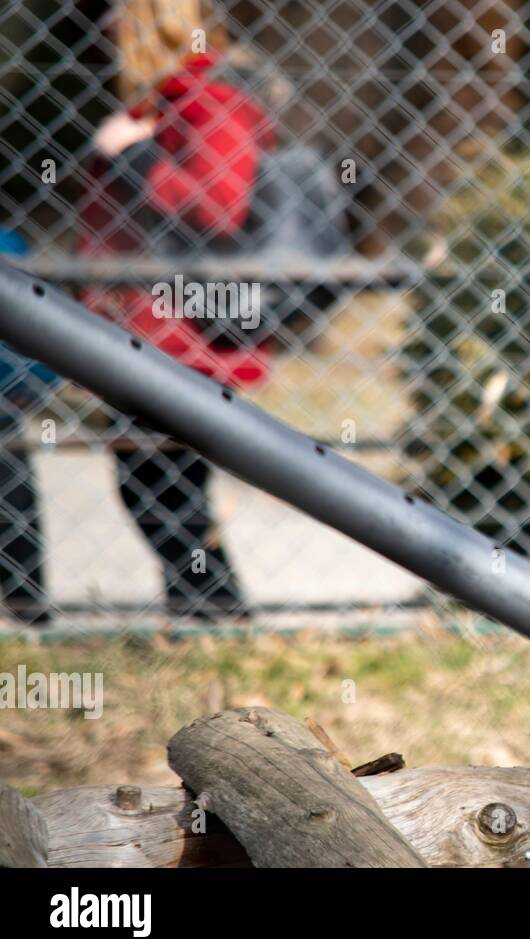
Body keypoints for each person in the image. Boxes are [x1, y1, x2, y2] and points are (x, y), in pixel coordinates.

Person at [77, 49, 276, 619]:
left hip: (184, 335)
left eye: (116, 19)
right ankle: (205, 615)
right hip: (148, 332)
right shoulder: (162, 106)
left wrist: (131, 155)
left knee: (157, 486)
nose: (102, 31)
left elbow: (219, 207)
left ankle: (216, 617)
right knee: (161, 487)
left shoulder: (204, 104)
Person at [0, 229, 58, 624]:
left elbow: (42, 322)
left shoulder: (8, 245)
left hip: (2, 410)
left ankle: (30, 614)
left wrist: (34, 382)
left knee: (13, 505)